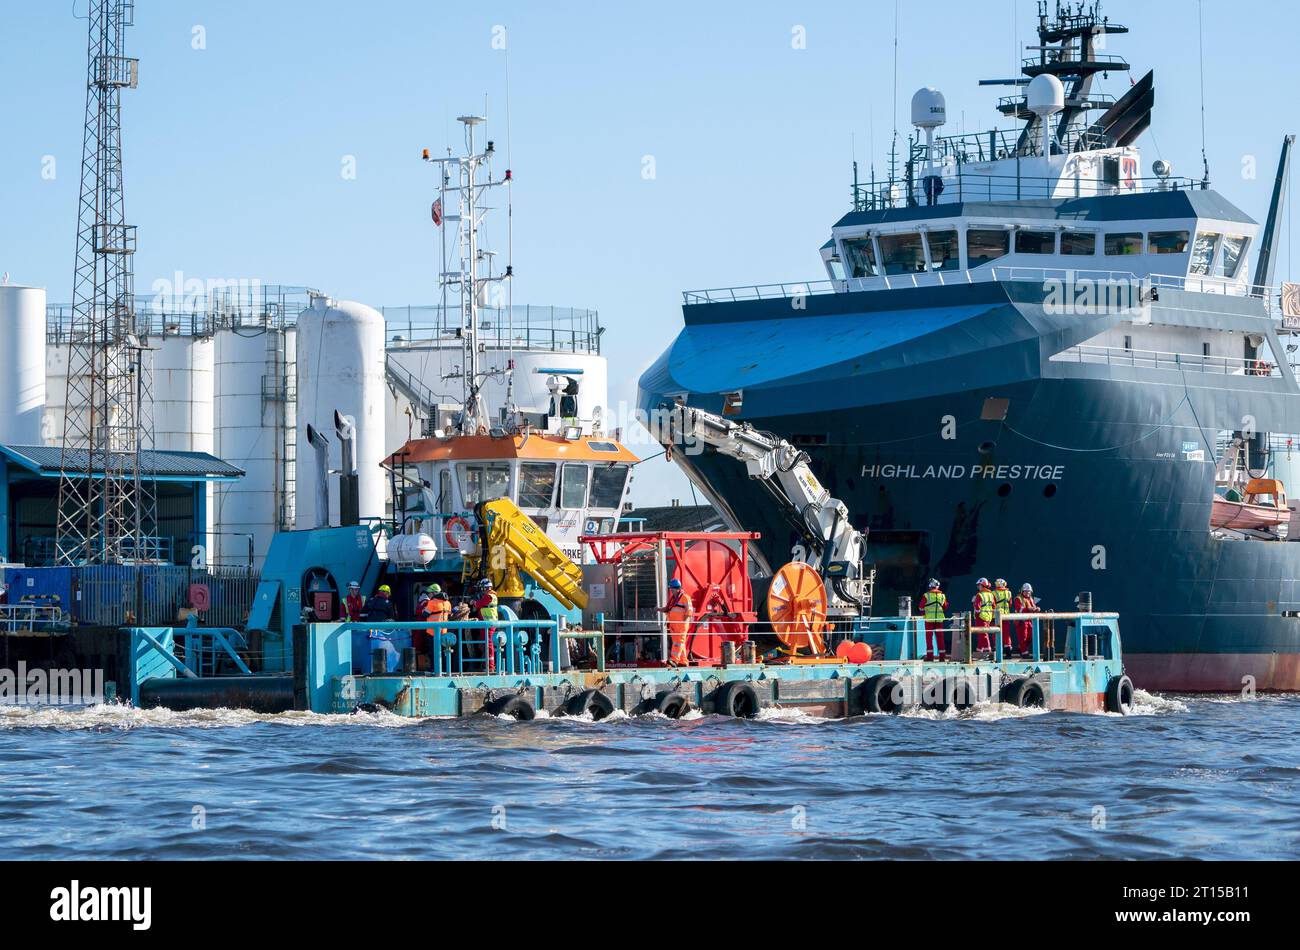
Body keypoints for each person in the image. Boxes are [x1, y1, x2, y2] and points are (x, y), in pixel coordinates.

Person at [658, 577, 695, 666]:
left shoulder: (685, 597)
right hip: (673, 625)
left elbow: (689, 610)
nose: (671, 590)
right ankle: (683, 662)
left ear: (677, 588)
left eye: (672, 588)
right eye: (670, 588)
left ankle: (674, 660)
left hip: (681, 625)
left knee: (678, 643)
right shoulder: (673, 599)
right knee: (678, 643)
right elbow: (667, 609)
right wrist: (658, 609)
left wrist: (684, 621)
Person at [472, 578, 499, 673]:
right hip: (486, 623)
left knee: (488, 644)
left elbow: (479, 604)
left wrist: (473, 603)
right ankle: (486, 664)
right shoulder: (491, 596)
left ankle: (490, 666)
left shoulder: (489, 596)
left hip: (489, 624)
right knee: (485, 644)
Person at [919, 578, 948, 661]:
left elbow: (921, 607)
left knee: (929, 639)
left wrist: (924, 615)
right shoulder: (942, 596)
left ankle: (930, 657)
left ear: (930, 586)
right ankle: (942, 657)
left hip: (929, 620)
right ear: (937, 586)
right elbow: (945, 607)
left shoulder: (926, 595)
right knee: (940, 638)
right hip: (939, 620)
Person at [1013, 583, 1042, 657]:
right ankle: (1024, 653)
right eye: (1026, 591)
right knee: (1023, 637)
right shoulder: (1018, 599)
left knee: (1031, 636)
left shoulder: (1031, 599)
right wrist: (1029, 609)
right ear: (1022, 591)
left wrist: (1036, 609)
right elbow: (1019, 609)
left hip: (1029, 621)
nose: (1027, 593)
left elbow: (1033, 608)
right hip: (1021, 621)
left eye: (1029, 591)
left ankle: (1021, 648)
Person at [971, 577, 996, 654]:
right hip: (988, 616)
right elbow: (994, 606)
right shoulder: (991, 594)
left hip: (981, 617)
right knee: (982, 634)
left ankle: (988, 650)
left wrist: (973, 603)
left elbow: (977, 608)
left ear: (982, 585)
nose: (978, 587)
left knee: (983, 634)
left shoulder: (979, 595)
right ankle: (979, 650)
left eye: (979, 585)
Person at [993, 578, 1013, 655]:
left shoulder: (994, 593)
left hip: (996, 617)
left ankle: (998, 652)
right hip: (1006, 616)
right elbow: (1010, 604)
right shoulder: (1009, 593)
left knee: (996, 634)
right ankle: (1008, 652)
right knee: (1006, 634)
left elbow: (993, 604)